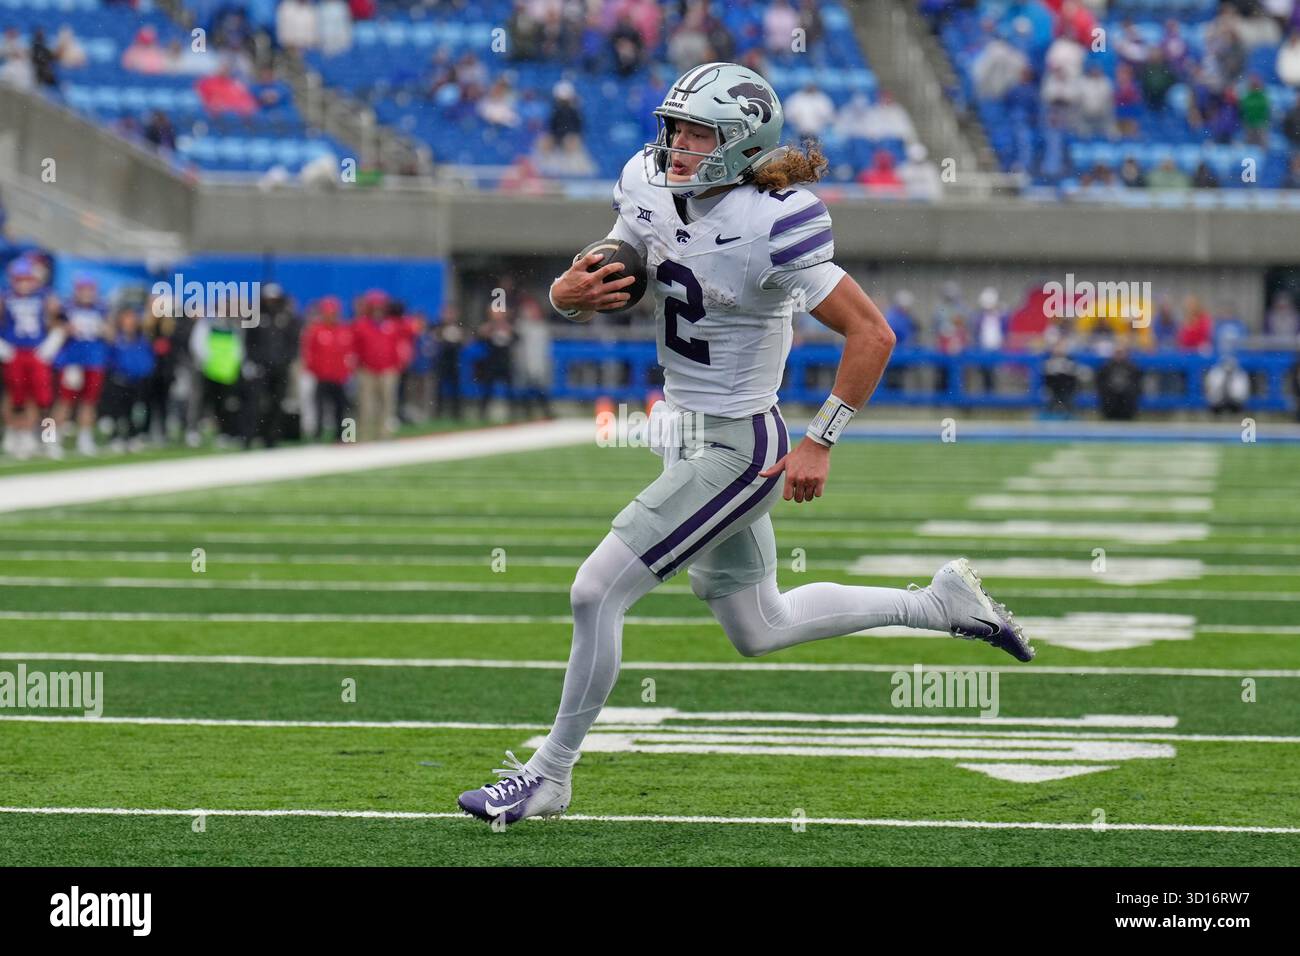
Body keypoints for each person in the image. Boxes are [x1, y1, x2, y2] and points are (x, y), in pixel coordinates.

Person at [456, 62, 1035, 828]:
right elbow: (613, 260)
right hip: (682, 430)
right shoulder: (647, 182)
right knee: (758, 626)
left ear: (740, 144)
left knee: (594, 592)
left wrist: (821, 441)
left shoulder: (776, 220)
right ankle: (937, 604)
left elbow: (873, 333)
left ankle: (549, 775)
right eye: (675, 128)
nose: (677, 146)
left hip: (740, 446)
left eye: (698, 134)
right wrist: (569, 295)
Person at [50, 276, 109, 456]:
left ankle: (85, 438)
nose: (86, 293)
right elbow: (53, 326)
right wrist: (64, 327)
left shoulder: (101, 308)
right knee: (64, 402)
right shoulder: (67, 308)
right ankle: (51, 440)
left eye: (89, 289)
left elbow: (111, 334)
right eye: (83, 289)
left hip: (94, 360)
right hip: (72, 362)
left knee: (89, 402)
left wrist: (103, 328)